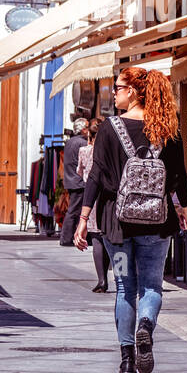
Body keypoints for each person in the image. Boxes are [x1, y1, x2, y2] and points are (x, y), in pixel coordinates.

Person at [74, 66, 187, 373]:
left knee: (125, 287)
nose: (115, 92)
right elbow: (179, 175)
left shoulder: (110, 128)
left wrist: (83, 219)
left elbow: (96, 175)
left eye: (119, 87)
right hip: (155, 222)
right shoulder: (167, 128)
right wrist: (184, 207)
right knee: (152, 286)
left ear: (134, 92)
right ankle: (146, 325)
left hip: (117, 224)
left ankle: (127, 361)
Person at [78, 119, 111, 293]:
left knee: (96, 238)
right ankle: (122, 278)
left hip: (91, 198)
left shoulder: (84, 151)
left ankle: (102, 280)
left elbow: (80, 171)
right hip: (109, 196)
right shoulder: (109, 150)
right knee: (112, 238)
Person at [60, 118, 89, 246]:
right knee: (74, 210)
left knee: (74, 210)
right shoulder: (82, 143)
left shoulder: (69, 142)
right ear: (83, 129)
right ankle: (66, 238)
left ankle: (71, 236)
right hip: (78, 181)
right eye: (87, 127)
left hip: (71, 180)